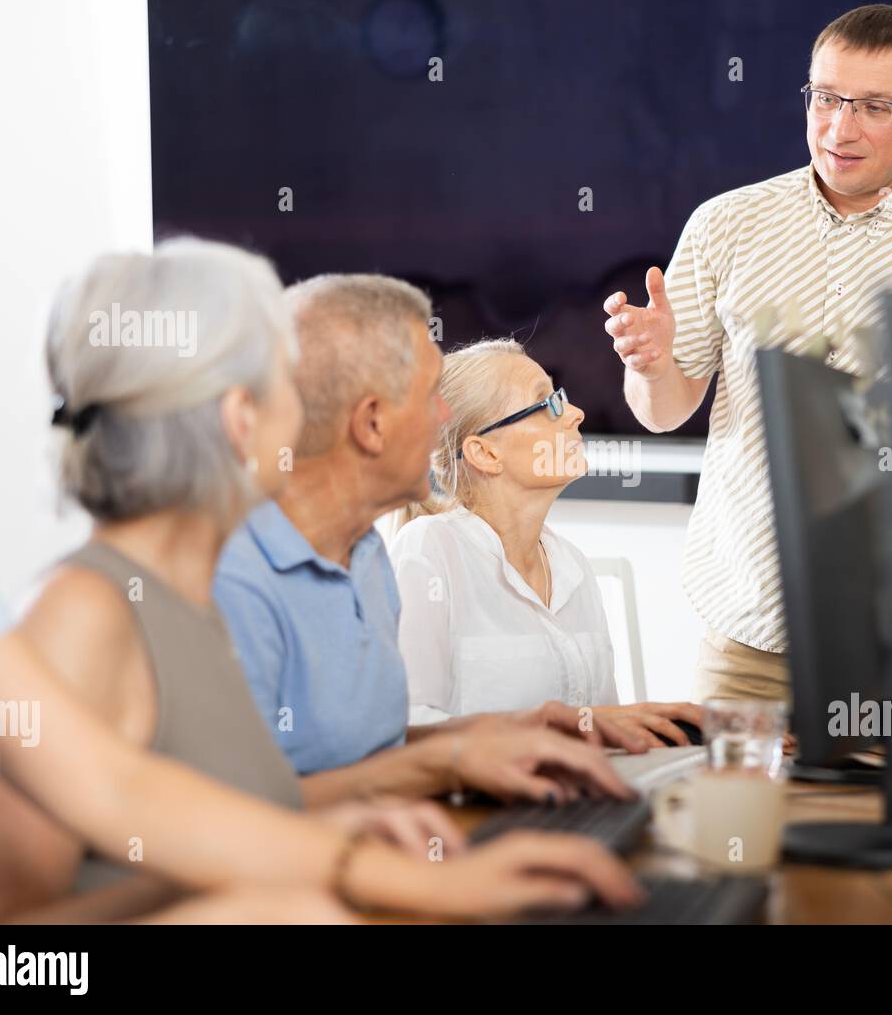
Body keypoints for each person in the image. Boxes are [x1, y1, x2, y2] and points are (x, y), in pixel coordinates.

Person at [0, 95, 640, 923]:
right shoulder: (91, 612)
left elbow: (168, 813)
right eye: (286, 377)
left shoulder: (188, 595)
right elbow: (10, 946)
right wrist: (299, 890)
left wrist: (373, 843)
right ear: (241, 418)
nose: (309, 404)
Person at [603, 4, 892, 703]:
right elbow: (662, 413)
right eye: (827, 98)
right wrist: (651, 368)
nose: (840, 128)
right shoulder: (726, 225)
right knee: (726, 784)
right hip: (744, 642)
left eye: (875, 107)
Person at [213, 273, 648, 810]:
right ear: (372, 423)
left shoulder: (367, 559)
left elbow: (383, 745)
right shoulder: (237, 577)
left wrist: (536, 726)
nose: (444, 416)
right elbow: (226, 810)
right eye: (427, 396)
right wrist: (453, 766)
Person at [392, 338, 705, 747]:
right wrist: (575, 723)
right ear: (485, 453)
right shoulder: (430, 551)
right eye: (547, 404)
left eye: (562, 398)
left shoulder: (572, 566)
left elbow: (608, 732)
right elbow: (407, 728)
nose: (575, 413)